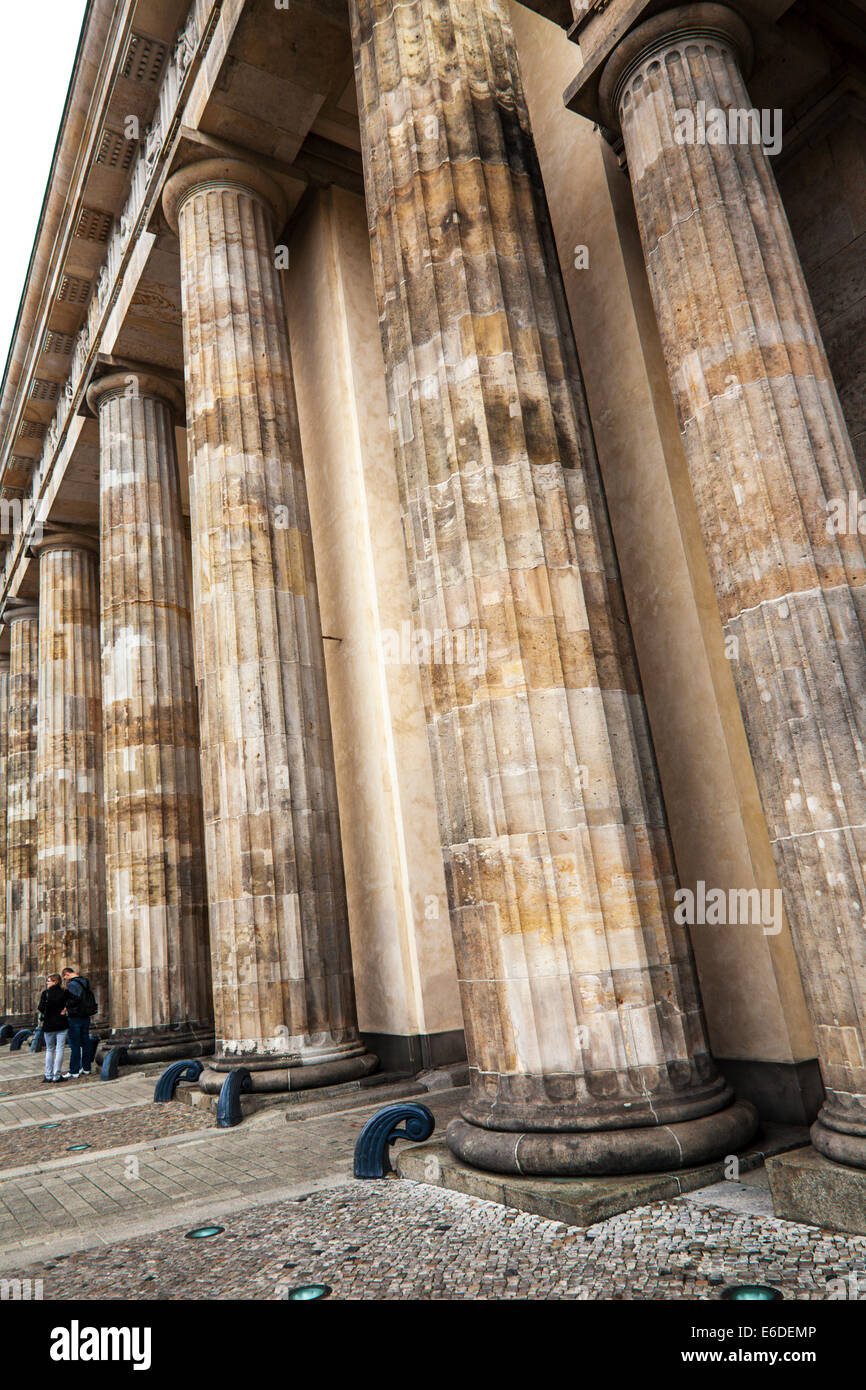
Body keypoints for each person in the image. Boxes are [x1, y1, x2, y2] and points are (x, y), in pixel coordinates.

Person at [60, 967, 96, 1078]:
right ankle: (86, 1068)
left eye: (64, 977)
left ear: (67, 974)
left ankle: (74, 1070)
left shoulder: (72, 985)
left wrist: (66, 1007)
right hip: (86, 1015)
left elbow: (74, 1000)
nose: (65, 980)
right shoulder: (85, 982)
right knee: (86, 1042)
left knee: (74, 1044)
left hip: (75, 1016)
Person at [37, 974, 71, 1083]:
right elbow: (73, 1001)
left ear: (55, 982)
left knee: (50, 1049)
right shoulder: (64, 992)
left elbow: (41, 1008)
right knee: (60, 1049)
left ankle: (48, 1075)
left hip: (49, 1025)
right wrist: (65, 1009)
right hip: (61, 1023)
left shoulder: (46, 994)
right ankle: (57, 1075)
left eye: (49, 981)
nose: (47, 983)